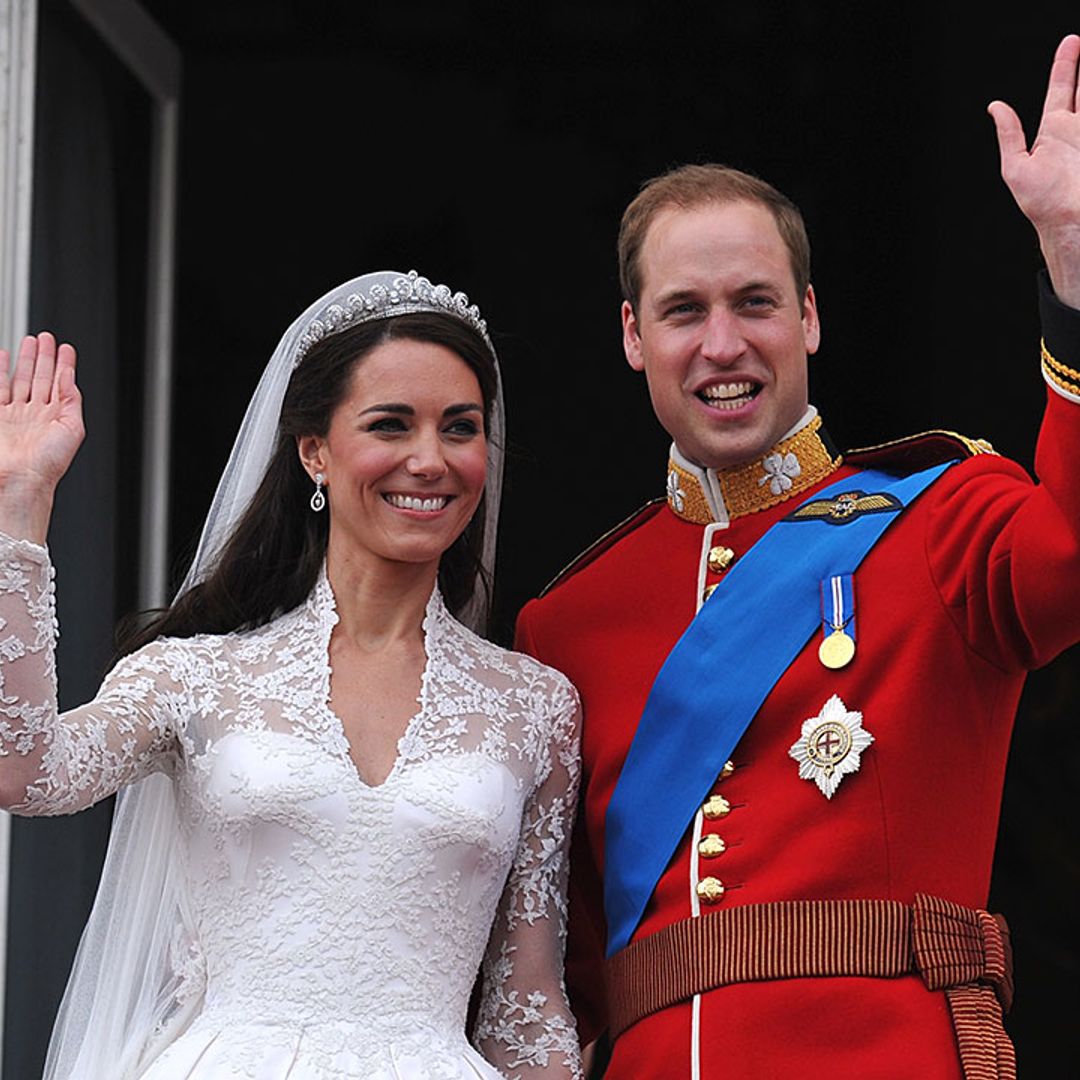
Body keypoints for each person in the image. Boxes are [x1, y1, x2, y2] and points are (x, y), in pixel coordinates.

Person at [514, 35, 1080, 1080]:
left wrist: (1073, 272)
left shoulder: (943, 513)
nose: (722, 344)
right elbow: (562, 967)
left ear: (809, 317)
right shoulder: (567, 622)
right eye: (685, 311)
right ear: (634, 337)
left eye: (756, 303)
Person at [0, 270, 584, 1079]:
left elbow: (528, 1001)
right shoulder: (194, 676)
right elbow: (25, 770)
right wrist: (23, 503)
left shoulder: (537, 708)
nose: (429, 459)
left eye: (460, 428)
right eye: (391, 424)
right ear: (314, 451)